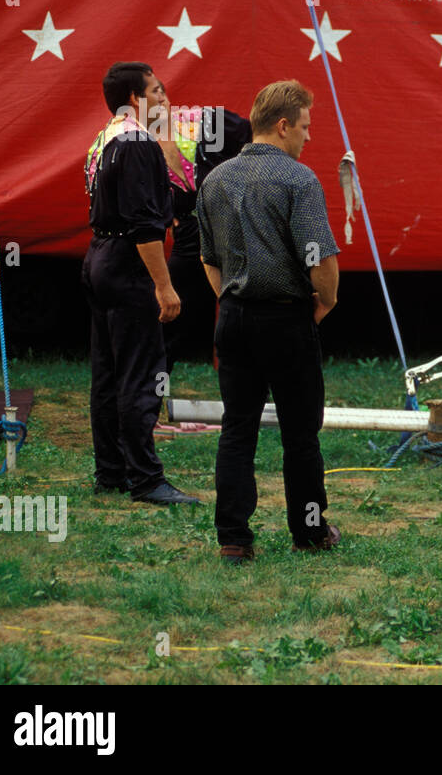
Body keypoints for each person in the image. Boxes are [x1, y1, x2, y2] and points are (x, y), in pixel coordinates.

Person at [197, 79, 341, 563]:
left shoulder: (214, 180)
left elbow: (208, 258)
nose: (307, 137)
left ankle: (233, 539)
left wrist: (233, 301)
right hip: (286, 321)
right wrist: (323, 303)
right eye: (304, 127)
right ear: (283, 126)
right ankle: (310, 532)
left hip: (234, 319)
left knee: (237, 429)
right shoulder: (299, 181)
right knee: (301, 434)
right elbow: (320, 260)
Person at [82, 61, 199, 505]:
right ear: (136, 98)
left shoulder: (105, 137)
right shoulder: (136, 143)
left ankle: (111, 472)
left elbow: (160, 202)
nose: (166, 99)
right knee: (140, 374)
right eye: (158, 91)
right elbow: (145, 225)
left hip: (99, 256)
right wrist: (164, 286)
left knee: (108, 373)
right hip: (128, 261)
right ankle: (146, 480)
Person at [156, 99, 252, 381]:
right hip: (192, 229)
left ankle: (247, 394)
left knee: (241, 313)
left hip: (220, 226)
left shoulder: (213, 121)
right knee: (171, 319)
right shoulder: (135, 133)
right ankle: (149, 403)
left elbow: (252, 148)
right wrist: (167, 212)